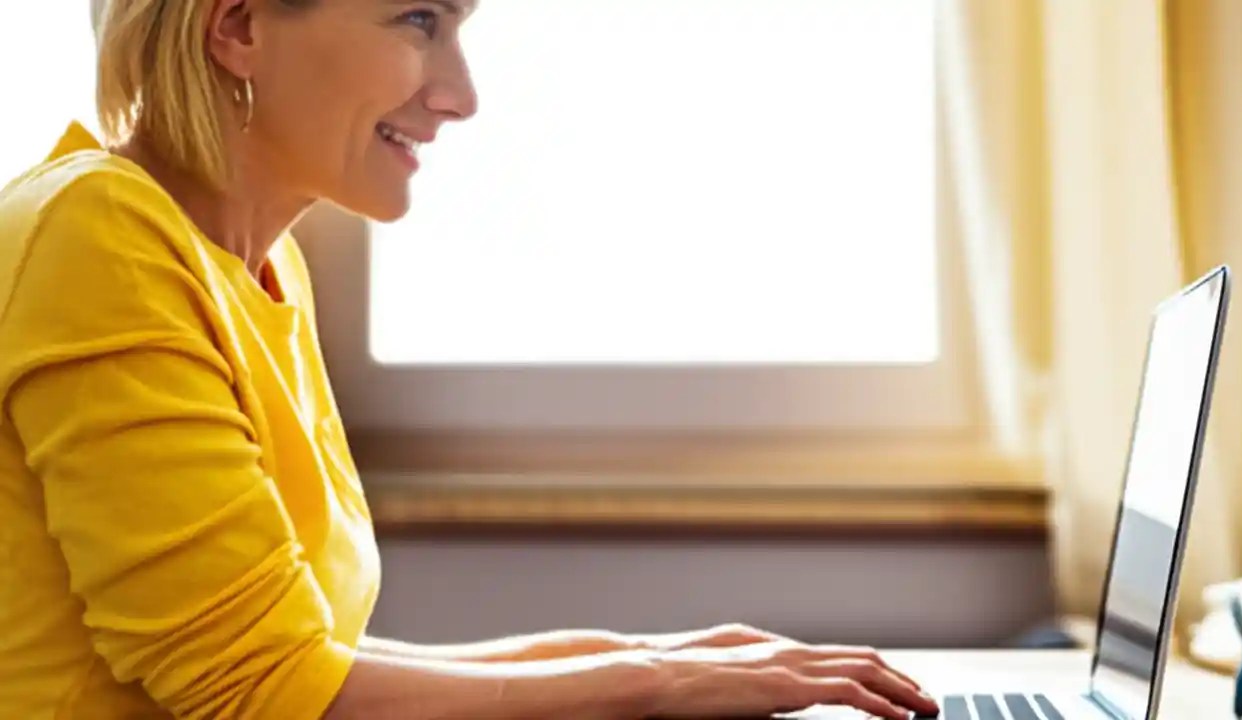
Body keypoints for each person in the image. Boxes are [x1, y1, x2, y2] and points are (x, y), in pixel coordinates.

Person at [0, 1, 940, 718]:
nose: (461, 93)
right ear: (238, 25)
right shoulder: (102, 234)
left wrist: (647, 653)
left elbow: (300, 654)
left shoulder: (256, 262)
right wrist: (653, 679)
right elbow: (257, 688)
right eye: (419, 20)